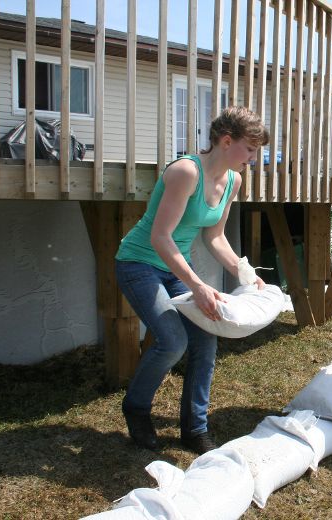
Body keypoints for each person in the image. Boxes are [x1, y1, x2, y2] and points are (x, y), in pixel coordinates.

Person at [115, 106, 269, 453]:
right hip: (138, 263)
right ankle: (136, 409)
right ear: (226, 141)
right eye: (250, 149)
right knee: (172, 341)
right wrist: (198, 285)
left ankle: (195, 429)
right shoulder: (186, 172)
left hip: (174, 267)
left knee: (205, 340)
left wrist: (245, 273)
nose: (252, 158)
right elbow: (160, 237)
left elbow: (214, 237)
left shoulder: (233, 180)